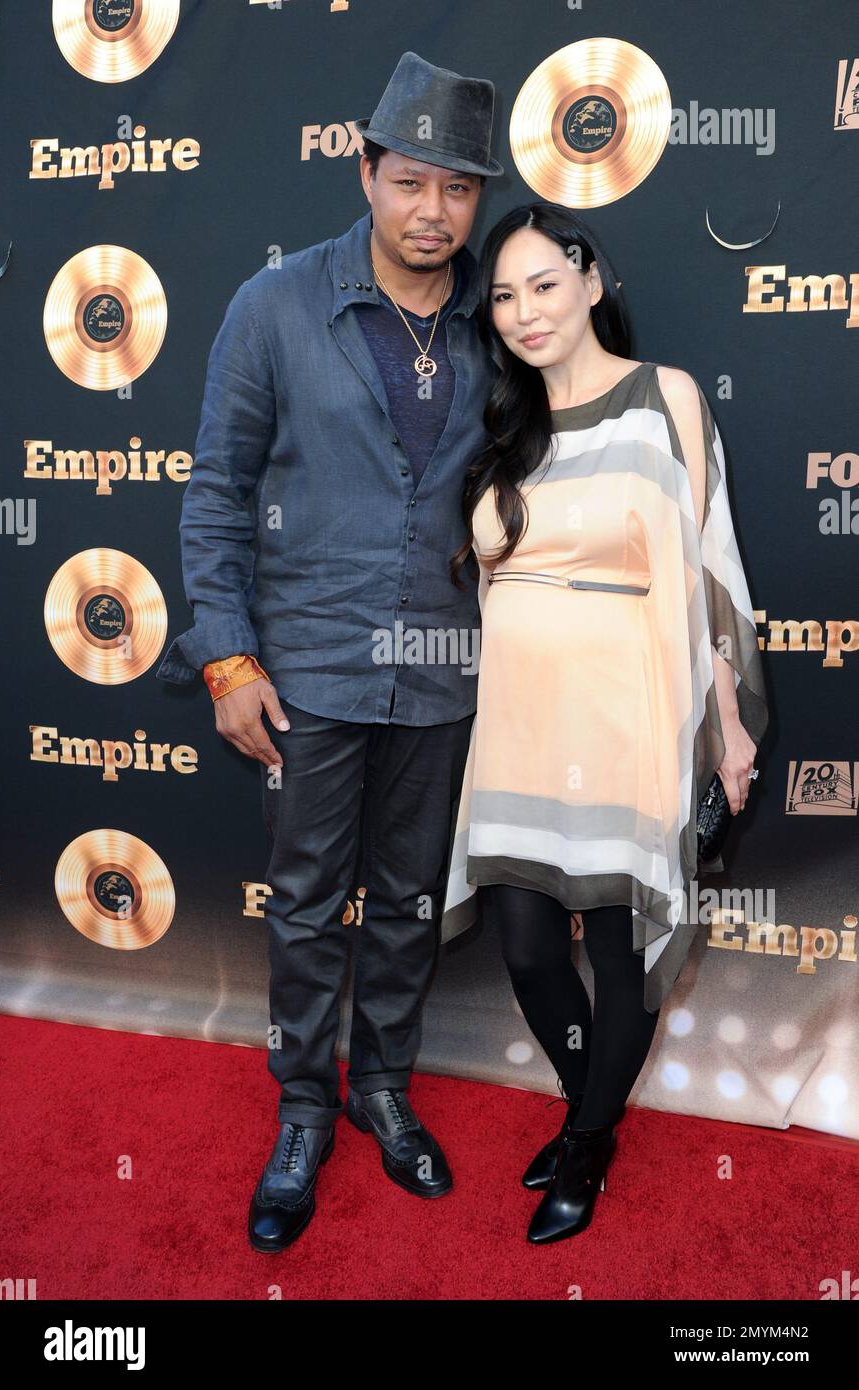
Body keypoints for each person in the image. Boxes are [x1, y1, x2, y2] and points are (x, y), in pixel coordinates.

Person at [155, 51, 504, 1252]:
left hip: (443, 673)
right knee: (307, 905)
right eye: (410, 181)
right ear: (364, 172)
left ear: (479, 202)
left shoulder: (495, 321)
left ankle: (384, 1089)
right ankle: (305, 1103)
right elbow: (215, 494)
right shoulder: (276, 306)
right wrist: (227, 660)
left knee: (407, 900)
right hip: (305, 670)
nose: (431, 212)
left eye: (458, 191)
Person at [439, 202, 769, 1244]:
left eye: (544, 283)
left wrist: (728, 724)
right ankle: (593, 1106)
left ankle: (583, 1145)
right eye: (502, 296)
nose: (525, 311)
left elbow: (708, 568)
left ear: (590, 280)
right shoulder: (505, 433)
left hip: (630, 721)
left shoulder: (663, 397)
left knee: (622, 953)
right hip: (520, 730)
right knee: (530, 949)